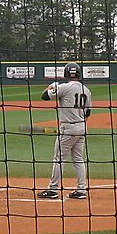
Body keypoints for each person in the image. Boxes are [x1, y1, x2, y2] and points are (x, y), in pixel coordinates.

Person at [37, 63, 92, 200]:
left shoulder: (64, 87)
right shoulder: (86, 90)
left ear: (66, 74)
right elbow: (88, 113)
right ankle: (81, 190)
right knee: (78, 159)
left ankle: (53, 189)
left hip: (67, 128)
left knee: (59, 159)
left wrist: (52, 86)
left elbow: (44, 96)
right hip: (82, 127)